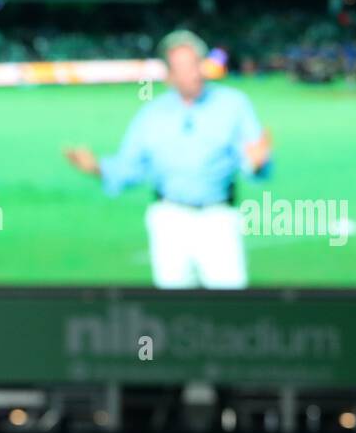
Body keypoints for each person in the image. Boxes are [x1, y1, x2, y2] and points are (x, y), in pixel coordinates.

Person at [65, 30, 272, 289]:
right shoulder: (152, 115)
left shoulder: (233, 104)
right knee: (171, 306)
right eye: (183, 67)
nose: (193, 73)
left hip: (219, 218)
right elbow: (130, 166)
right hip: (170, 219)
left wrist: (258, 162)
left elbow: (255, 159)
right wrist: (97, 168)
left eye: (196, 64)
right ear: (169, 75)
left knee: (229, 304)